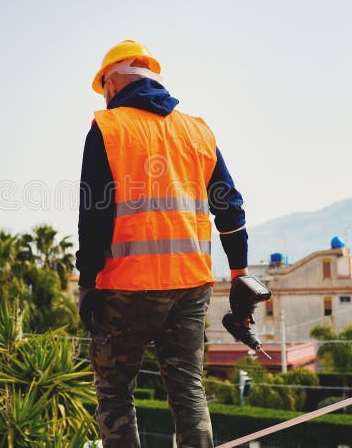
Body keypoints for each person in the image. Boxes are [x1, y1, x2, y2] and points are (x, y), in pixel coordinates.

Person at [77, 40, 249, 448]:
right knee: (189, 392)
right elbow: (229, 205)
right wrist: (240, 271)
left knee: (116, 395)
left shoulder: (108, 127)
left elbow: (94, 217)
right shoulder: (197, 131)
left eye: (104, 86)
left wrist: (87, 282)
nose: (104, 94)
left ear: (114, 82)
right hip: (190, 287)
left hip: (126, 288)